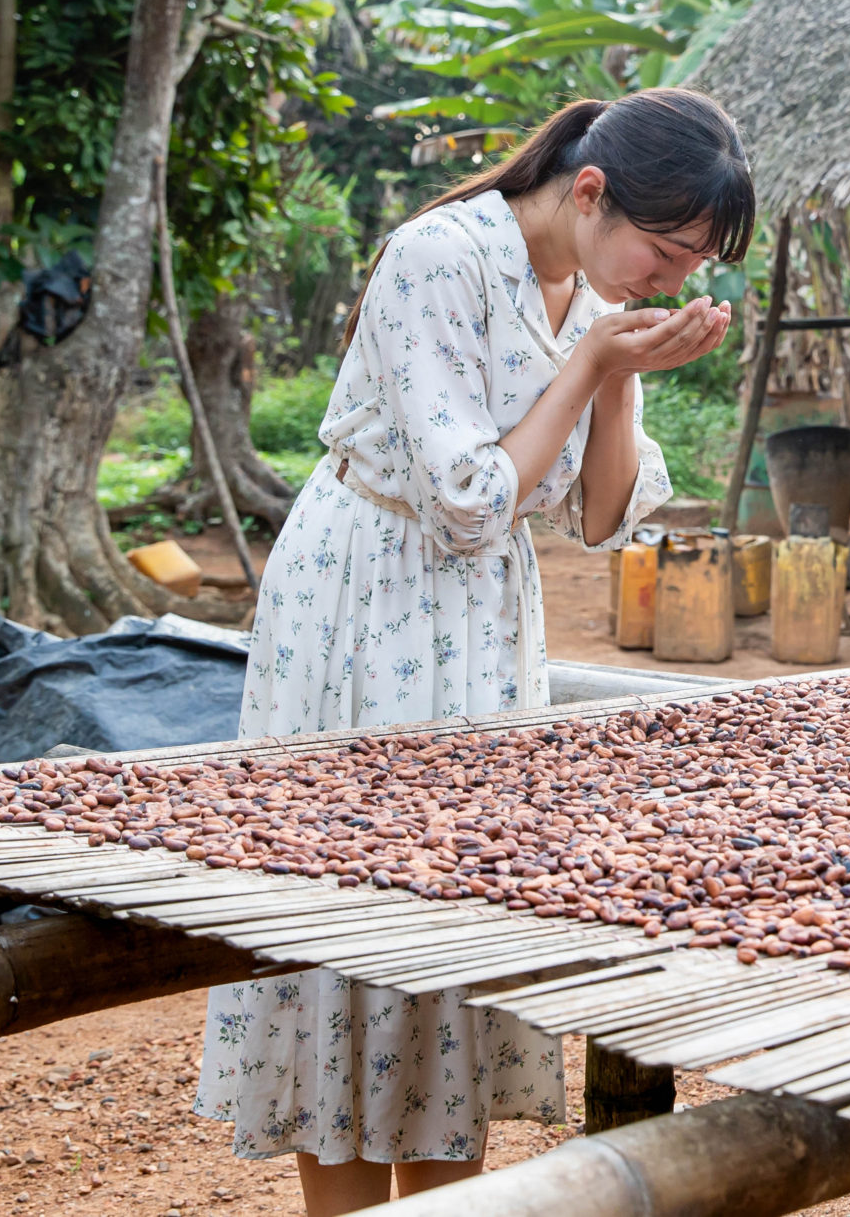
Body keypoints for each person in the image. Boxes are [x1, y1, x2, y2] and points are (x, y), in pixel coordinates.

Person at [197, 89, 753, 1214]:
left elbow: (602, 517)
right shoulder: (438, 257)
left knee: (462, 914)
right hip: (369, 594)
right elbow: (464, 500)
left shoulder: (589, 292)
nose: (676, 280)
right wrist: (594, 354)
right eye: (670, 248)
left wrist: (619, 360)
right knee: (349, 913)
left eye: (696, 262)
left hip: (485, 617)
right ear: (591, 192)